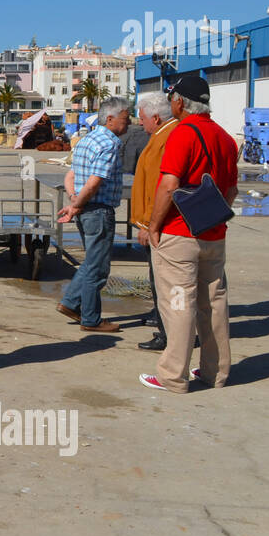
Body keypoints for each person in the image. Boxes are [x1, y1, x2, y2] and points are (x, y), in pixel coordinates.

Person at [141, 76, 239, 393]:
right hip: (214, 234)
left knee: (179, 303)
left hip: (180, 234)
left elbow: (169, 184)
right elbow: (233, 189)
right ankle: (216, 372)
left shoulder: (183, 134)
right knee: (214, 304)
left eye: (172, 99)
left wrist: (154, 226)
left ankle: (173, 376)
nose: (171, 104)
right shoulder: (225, 138)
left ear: (180, 102)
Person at [55, 97, 131, 333]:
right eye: (125, 119)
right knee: (98, 268)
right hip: (97, 210)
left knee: (91, 262)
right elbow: (94, 182)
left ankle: (71, 303)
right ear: (110, 119)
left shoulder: (86, 140)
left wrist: (73, 201)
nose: (129, 124)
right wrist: (77, 204)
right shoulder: (109, 143)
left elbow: (71, 177)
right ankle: (90, 318)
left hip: (87, 210)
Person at [130, 91, 179, 351]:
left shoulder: (167, 138)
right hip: (155, 223)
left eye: (143, 118)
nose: (140, 123)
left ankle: (166, 333)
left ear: (156, 118)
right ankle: (163, 325)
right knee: (158, 279)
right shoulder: (160, 136)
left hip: (159, 226)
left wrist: (149, 224)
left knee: (161, 280)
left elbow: (162, 187)